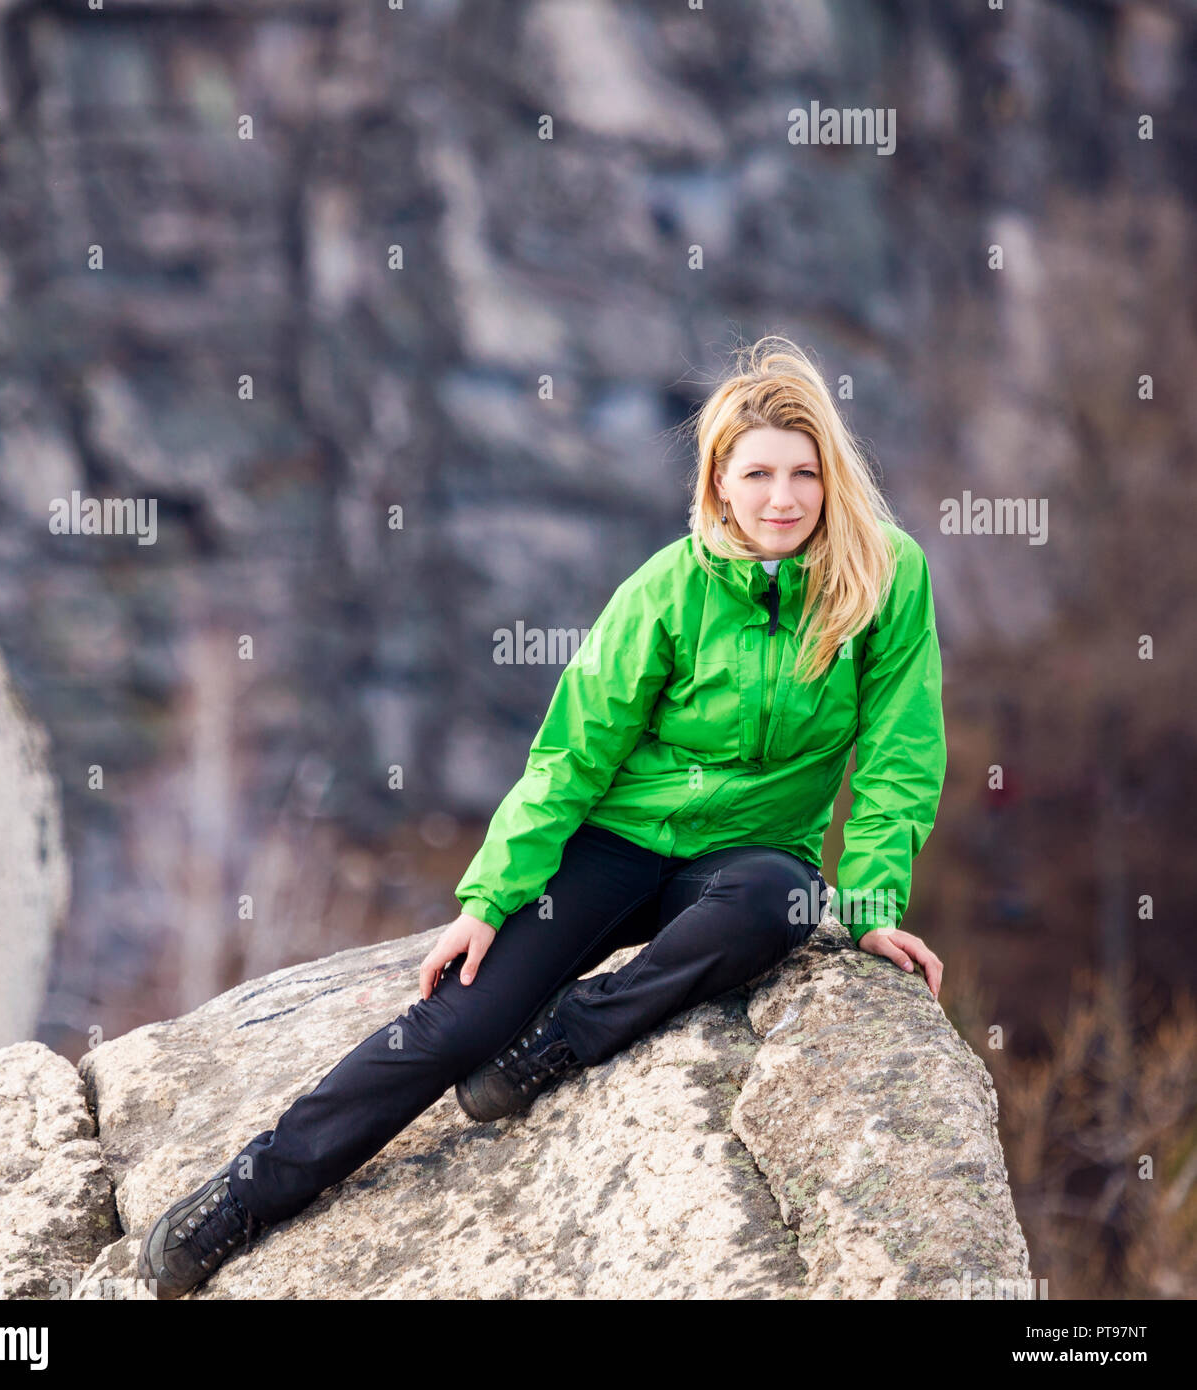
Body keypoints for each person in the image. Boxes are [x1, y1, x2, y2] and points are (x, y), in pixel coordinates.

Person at [137, 335, 947, 1298]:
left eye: (804, 473)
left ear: (834, 477)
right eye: (757, 473)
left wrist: (873, 904)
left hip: (744, 860)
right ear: (718, 484)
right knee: (450, 1028)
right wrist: (490, 899)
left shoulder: (883, 578)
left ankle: (565, 1040)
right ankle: (246, 1194)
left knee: (782, 902)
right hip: (614, 845)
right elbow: (572, 755)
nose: (783, 498)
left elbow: (900, 756)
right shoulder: (668, 590)